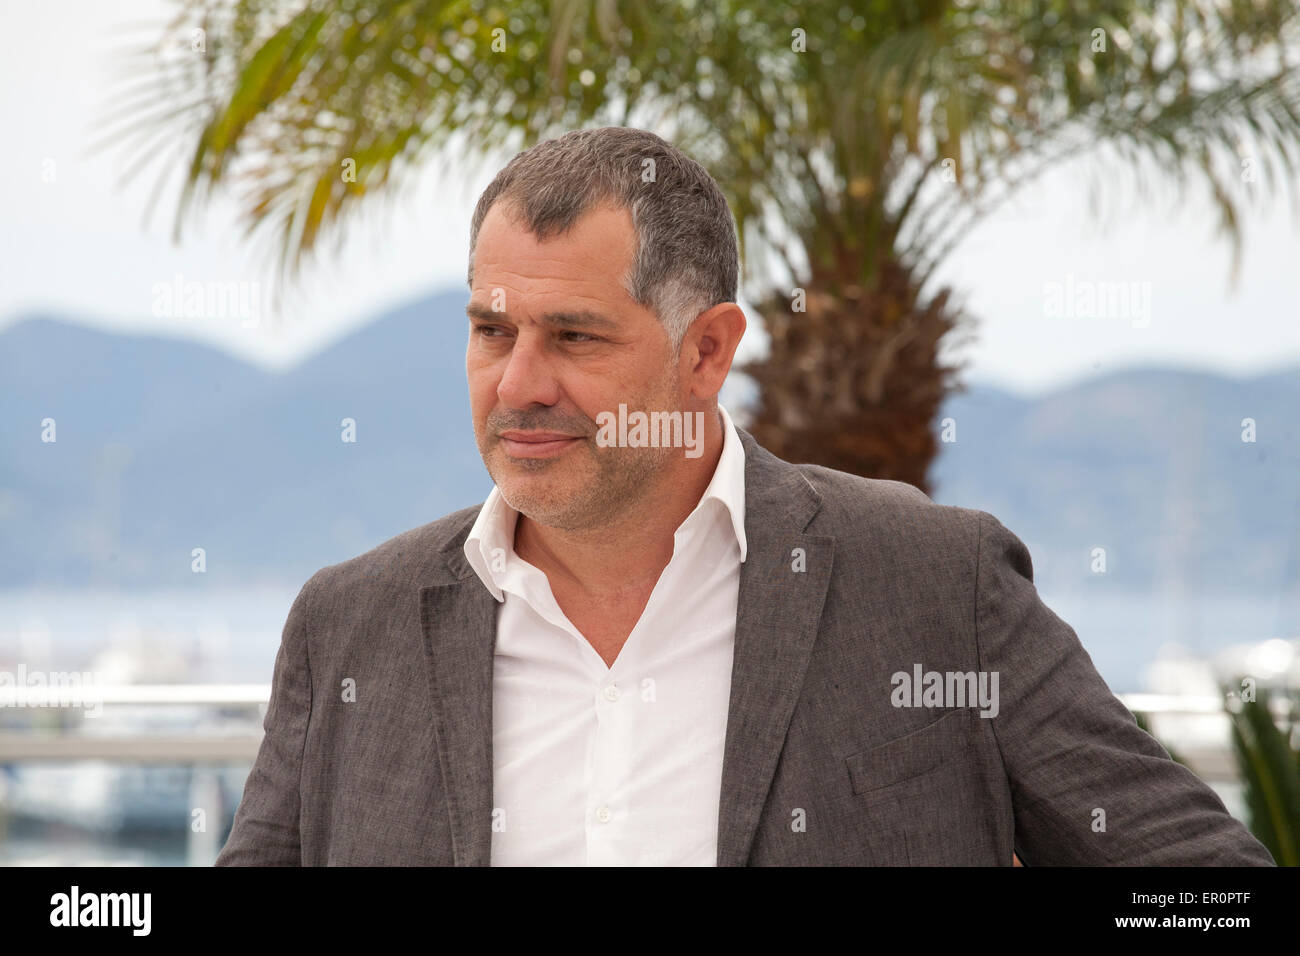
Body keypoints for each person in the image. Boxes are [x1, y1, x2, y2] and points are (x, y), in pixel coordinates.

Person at [216, 126, 1274, 866]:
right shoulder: (350, 624)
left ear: (708, 350)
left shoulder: (933, 585)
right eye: (492, 330)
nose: (519, 384)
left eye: (574, 336)